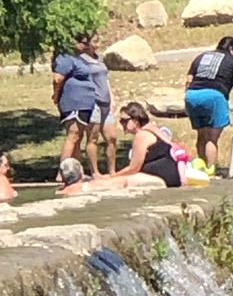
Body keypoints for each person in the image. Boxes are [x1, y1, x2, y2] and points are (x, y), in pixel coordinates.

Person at [59, 102, 181, 195]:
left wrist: (112, 176)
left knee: (119, 181)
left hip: (161, 178)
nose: (122, 125)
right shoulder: (153, 129)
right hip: (170, 175)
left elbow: (134, 168)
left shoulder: (141, 136)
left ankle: (77, 190)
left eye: (124, 121)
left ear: (135, 120)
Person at [183, 36, 233, 170]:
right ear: (231, 49)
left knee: (201, 135)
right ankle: (210, 170)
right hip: (214, 96)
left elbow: (189, 80)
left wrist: (188, 99)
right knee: (211, 138)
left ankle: (200, 169)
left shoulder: (201, 56)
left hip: (192, 95)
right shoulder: (232, 62)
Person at [51, 34, 100, 173]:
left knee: (77, 138)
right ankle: (63, 172)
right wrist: (56, 95)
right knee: (73, 135)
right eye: (83, 43)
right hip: (75, 103)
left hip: (84, 103)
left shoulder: (77, 58)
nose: (85, 46)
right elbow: (57, 79)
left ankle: (76, 171)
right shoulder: (66, 58)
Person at [79, 35, 117, 175]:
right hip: (92, 102)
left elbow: (105, 79)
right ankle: (95, 172)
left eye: (97, 41)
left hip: (106, 103)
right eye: (93, 42)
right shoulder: (81, 61)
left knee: (111, 137)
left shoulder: (99, 58)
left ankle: (112, 171)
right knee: (93, 137)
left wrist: (112, 98)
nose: (96, 45)